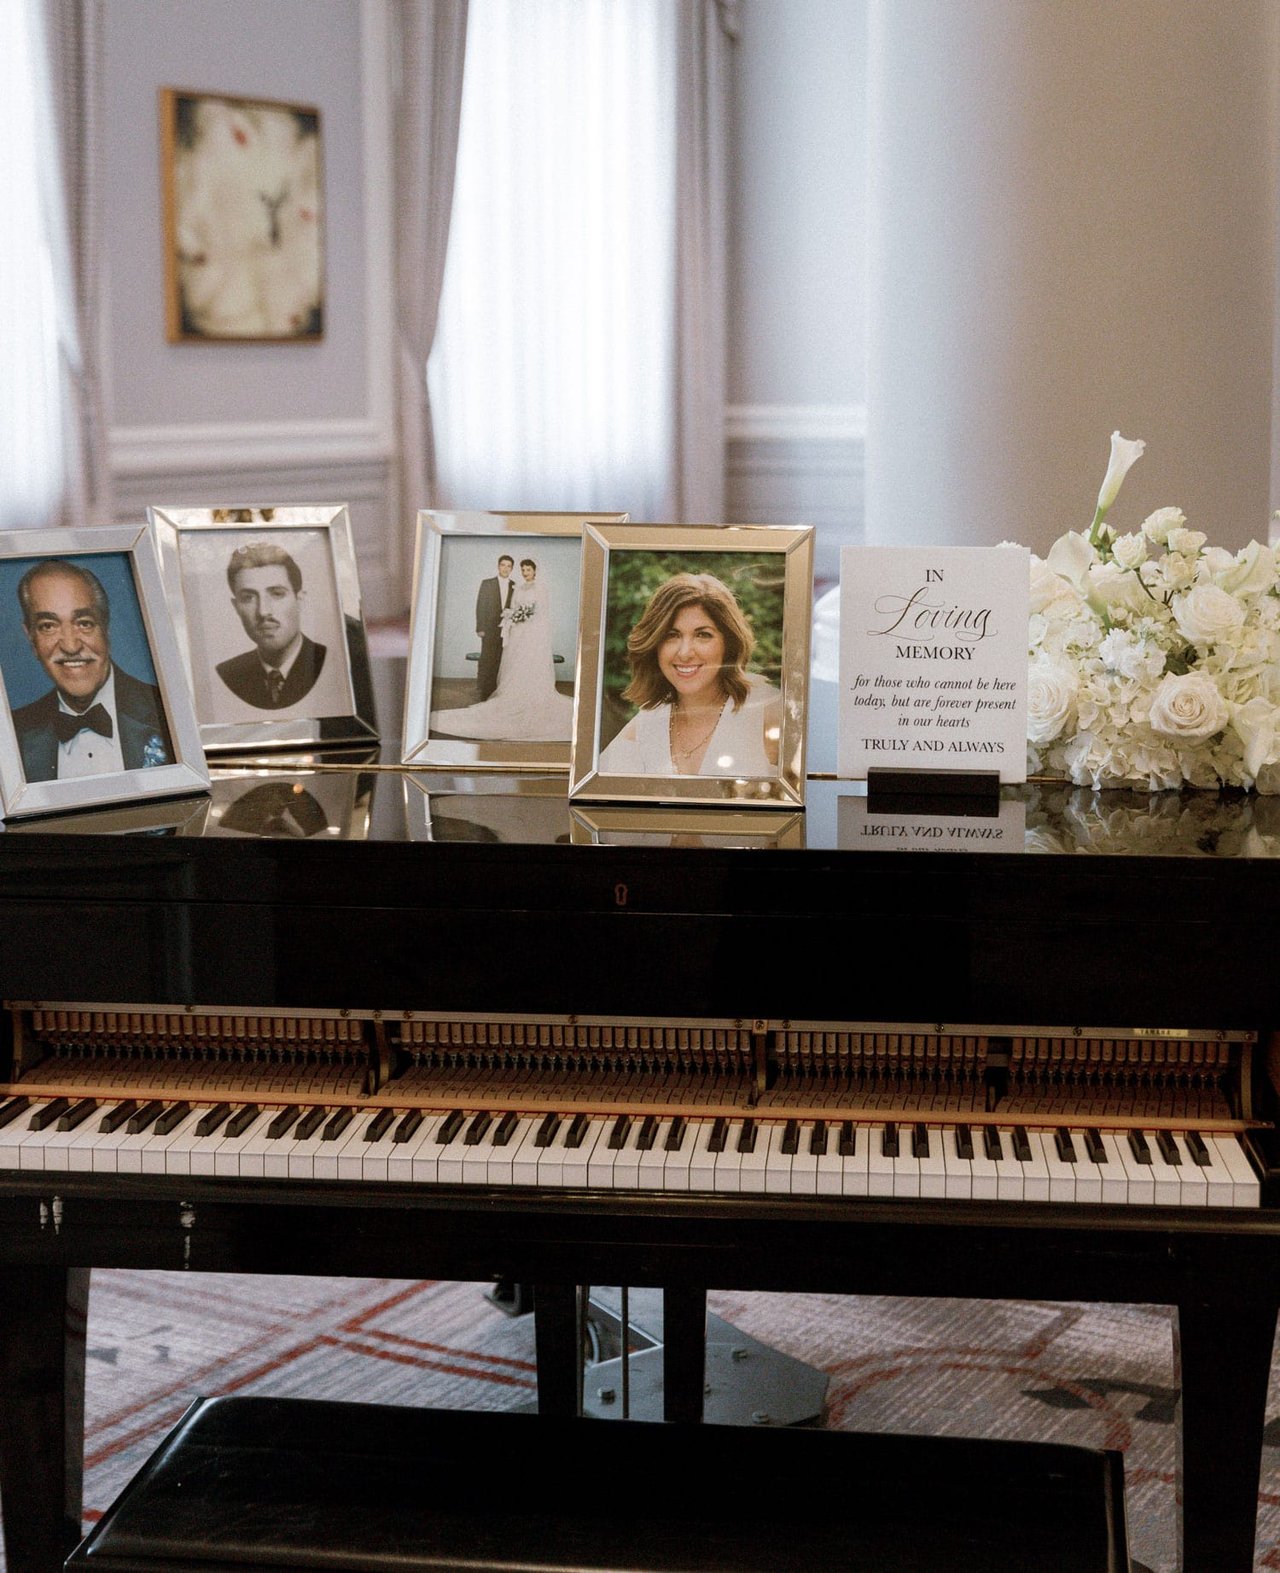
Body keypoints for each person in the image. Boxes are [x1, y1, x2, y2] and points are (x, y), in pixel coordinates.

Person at [596, 571, 782, 777]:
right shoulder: (649, 722)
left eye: (703, 635)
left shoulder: (767, 709)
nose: (685, 653)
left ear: (728, 644)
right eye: (672, 635)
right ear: (656, 645)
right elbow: (598, 795)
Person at [10, 559, 173, 783]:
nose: (70, 646)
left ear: (105, 627)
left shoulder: (167, 711)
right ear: (31, 637)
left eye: (84, 623)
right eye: (48, 626)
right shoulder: (11, 734)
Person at [431, 557, 575, 741]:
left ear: (534, 571)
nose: (525, 573)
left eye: (528, 570)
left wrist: (522, 618)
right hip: (509, 632)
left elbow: (540, 613)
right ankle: (491, 691)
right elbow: (494, 606)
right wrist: (509, 618)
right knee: (502, 662)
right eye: (523, 570)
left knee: (529, 662)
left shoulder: (536, 587)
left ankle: (531, 694)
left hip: (531, 633)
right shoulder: (511, 586)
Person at [216, 543, 327, 709]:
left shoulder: (328, 662)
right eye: (248, 598)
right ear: (236, 607)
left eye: (277, 594)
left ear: (300, 600)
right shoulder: (228, 674)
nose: (263, 611)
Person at [474, 554, 515, 700]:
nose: (505, 568)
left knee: (502, 659)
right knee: (487, 659)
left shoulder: (514, 586)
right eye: (503, 565)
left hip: (507, 630)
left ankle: (498, 690)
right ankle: (485, 691)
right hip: (489, 628)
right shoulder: (487, 583)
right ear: (498, 566)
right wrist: (480, 627)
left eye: (508, 566)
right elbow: (480, 606)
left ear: (512, 569)